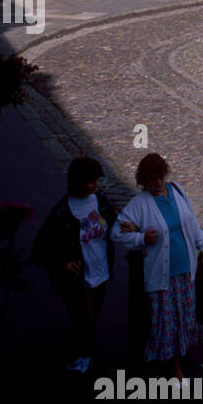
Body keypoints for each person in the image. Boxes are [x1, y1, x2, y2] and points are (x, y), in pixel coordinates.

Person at [111, 154, 203, 378]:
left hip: (185, 269)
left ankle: (177, 355)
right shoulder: (140, 204)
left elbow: (190, 221)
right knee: (166, 321)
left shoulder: (177, 191)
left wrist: (202, 244)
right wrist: (141, 238)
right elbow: (116, 234)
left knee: (183, 315)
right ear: (143, 181)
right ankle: (174, 367)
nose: (157, 183)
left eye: (160, 178)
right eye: (151, 179)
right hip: (161, 275)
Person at [31, 156, 119, 374]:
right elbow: (41, 248)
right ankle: (80, 355)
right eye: (91, 181)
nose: (95, 185)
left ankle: (84, 352)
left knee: (92, 316)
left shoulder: (100, 199)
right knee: (83, 317)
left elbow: (114, 224)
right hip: (79, 278)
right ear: (78, 181)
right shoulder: (62, 211)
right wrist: (62, 263)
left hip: (101, 271)